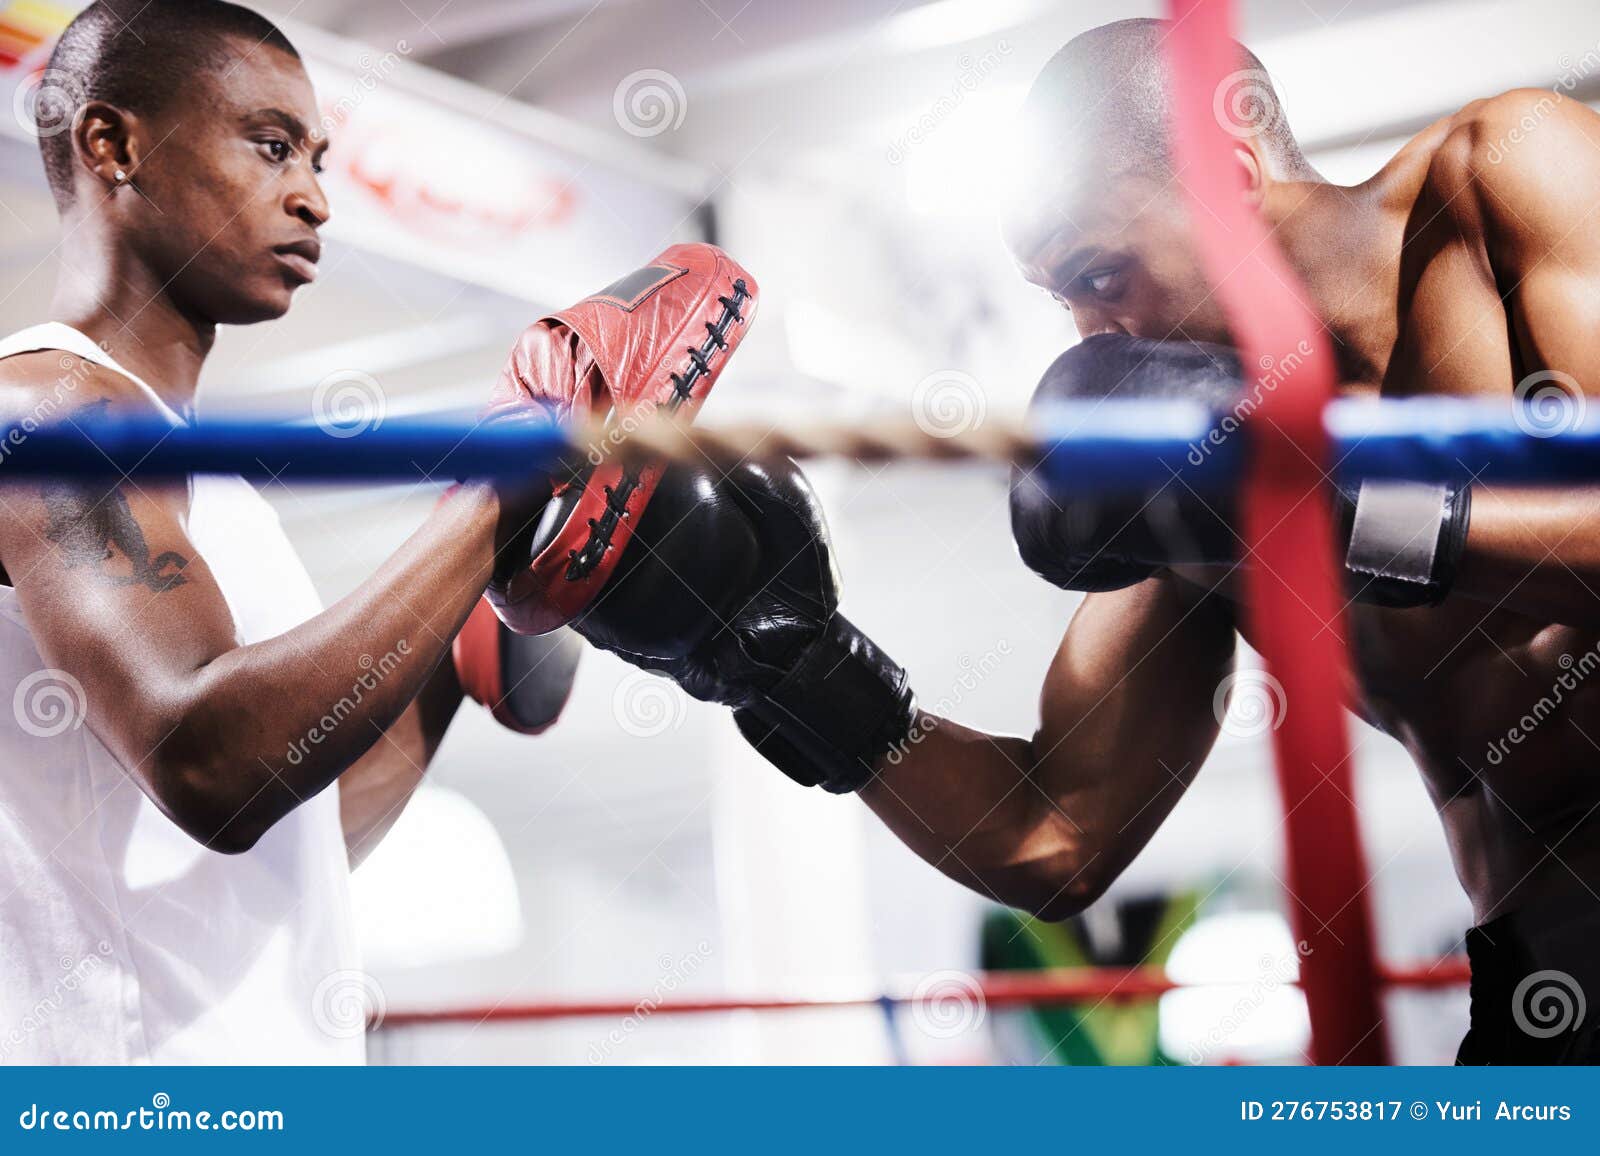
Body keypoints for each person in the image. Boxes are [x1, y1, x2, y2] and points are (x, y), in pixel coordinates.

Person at [571, 19, 1600, 1064]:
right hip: (1537, 993)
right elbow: (1055, 839)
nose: (1089, 338)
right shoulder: (1204, 480)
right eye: (1059, 298)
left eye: (1101, 276)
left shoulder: (1502, 181)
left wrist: (1333, 508)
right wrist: (786, 662)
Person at [0, 0, 755, 1062]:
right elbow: (207, 762)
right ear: (113, 143)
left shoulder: (209, 485)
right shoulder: (45, 414)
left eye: (315, 157)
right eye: (269, 146)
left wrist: (445, 658)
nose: (311, 195)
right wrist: (496, 502)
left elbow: (289, 841)